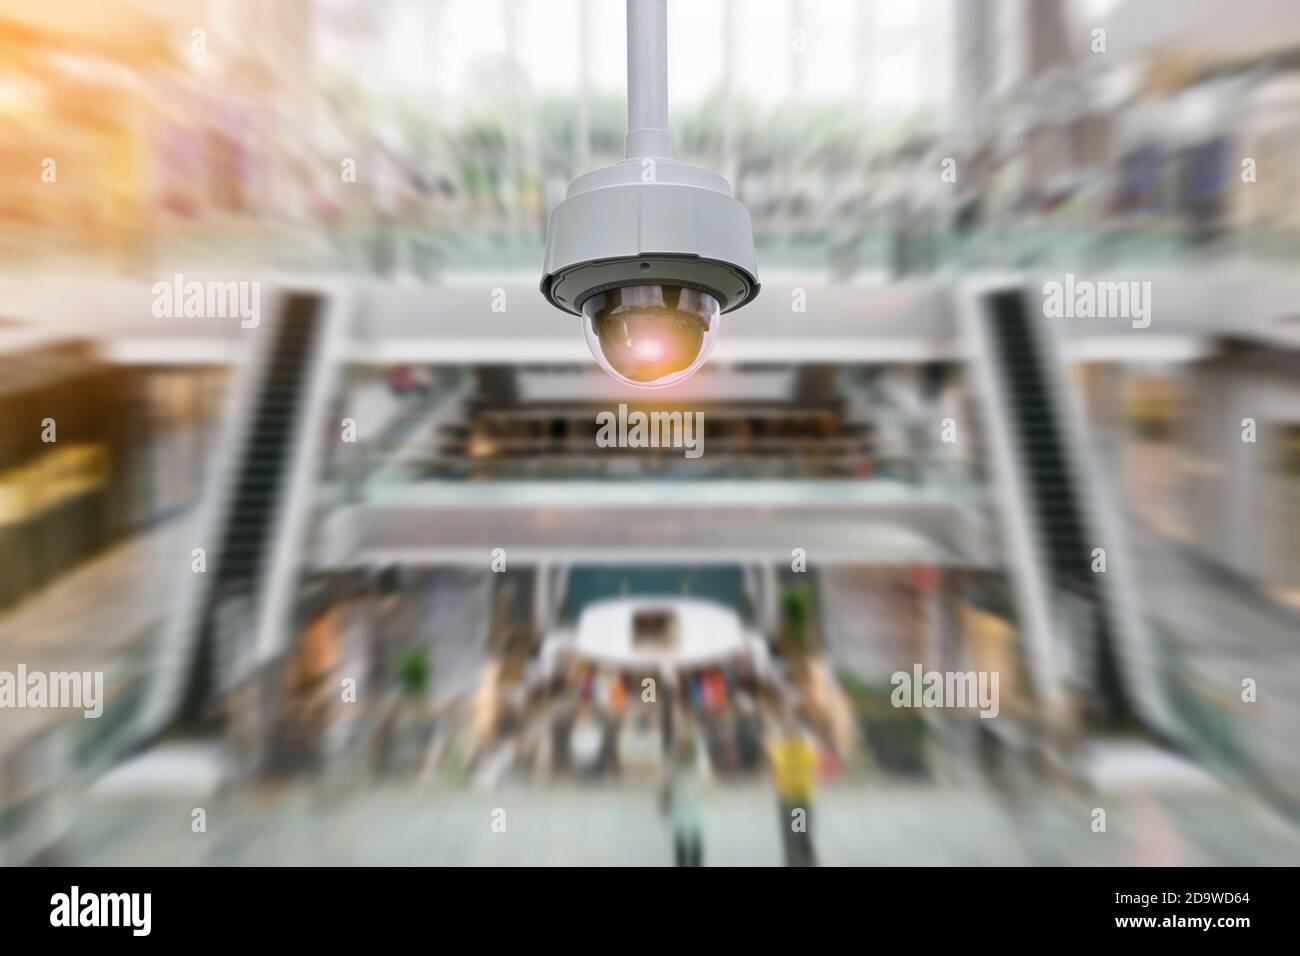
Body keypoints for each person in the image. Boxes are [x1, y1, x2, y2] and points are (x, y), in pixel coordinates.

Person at [767, 714, 820, 866]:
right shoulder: (798, 748)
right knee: (798, 839)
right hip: (797, 799)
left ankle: (803, 863)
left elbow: (778, 764)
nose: (789, 735)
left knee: (797, 840)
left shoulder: (793, 748)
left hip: (796, 801)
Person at [663, 720, 708, 866]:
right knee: (694, 842)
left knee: (682, 844)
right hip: (692, 806)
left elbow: (667, 781)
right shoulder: (697, 759)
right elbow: (705, 778)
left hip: (681, 806)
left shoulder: (674, 757)